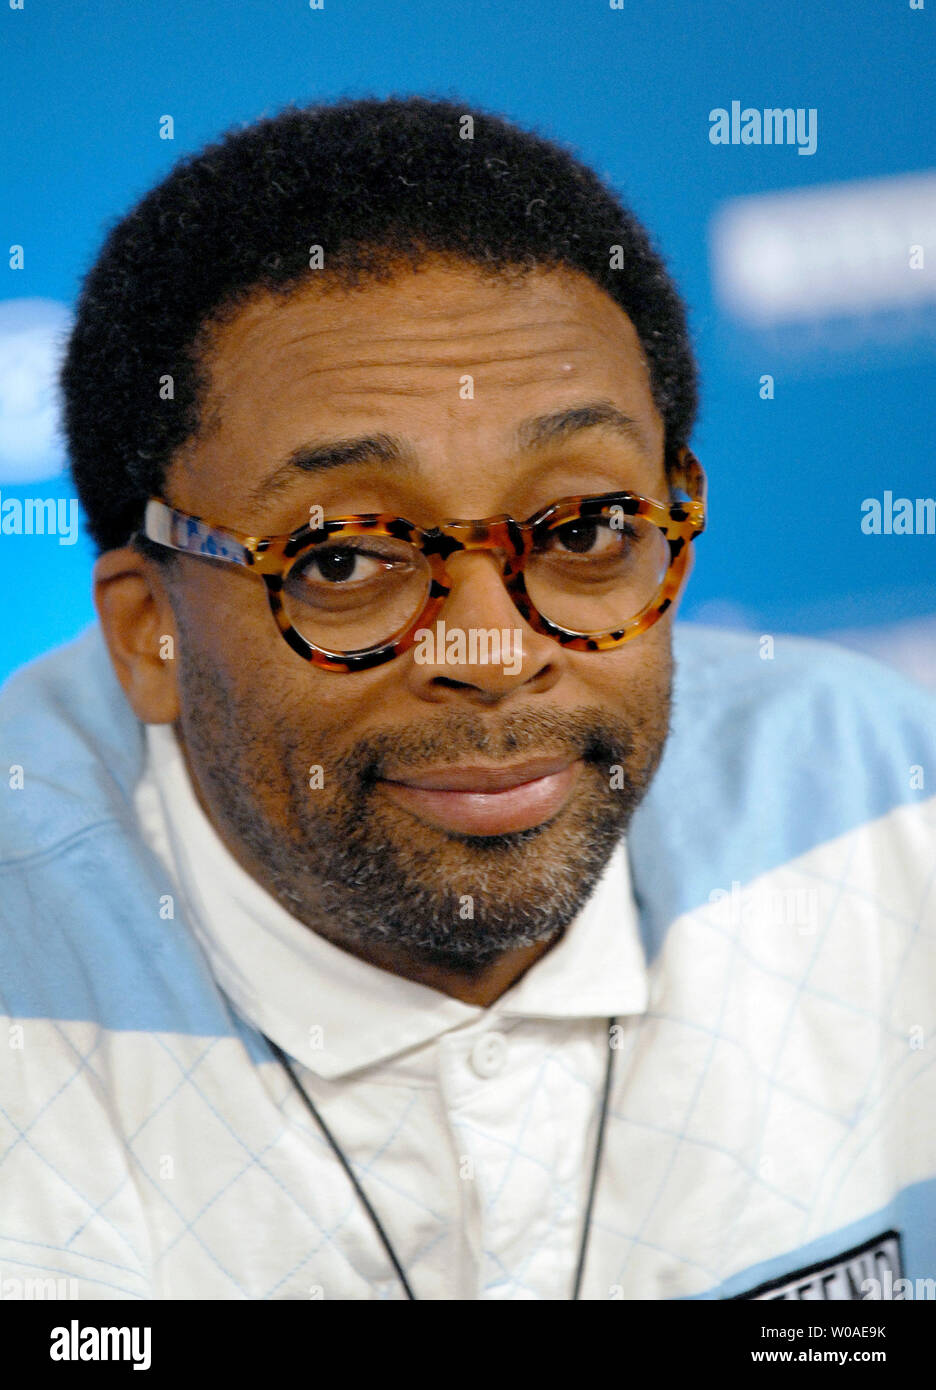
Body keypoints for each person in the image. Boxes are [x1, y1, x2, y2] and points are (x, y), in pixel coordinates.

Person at [2, 95, 933, 1302]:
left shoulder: (890, 806)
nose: (492, 651)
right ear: (150, 632)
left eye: (589, 528)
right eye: (342, 560)